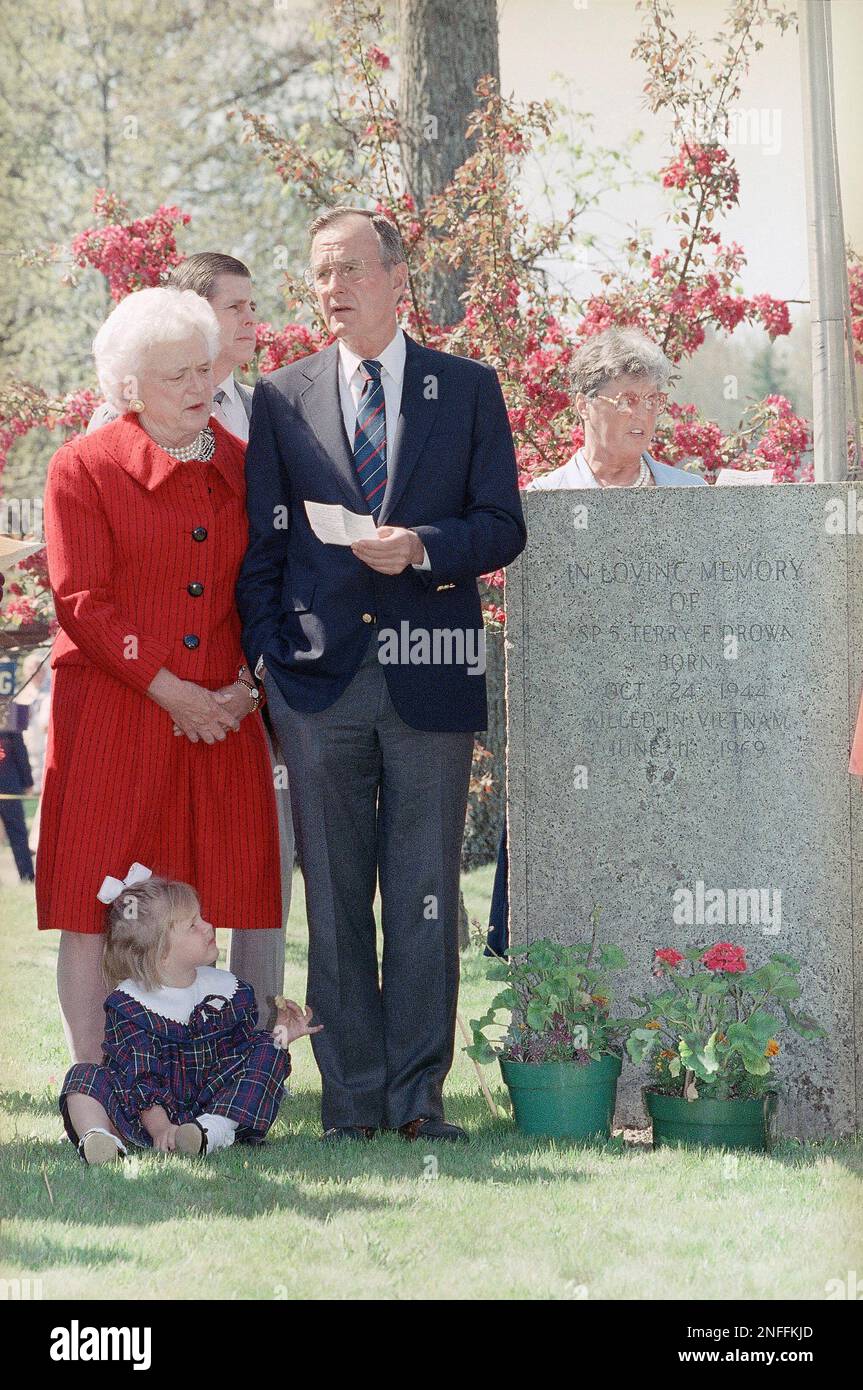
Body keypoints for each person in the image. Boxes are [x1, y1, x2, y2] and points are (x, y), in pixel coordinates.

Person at [237, 206, 526, 1144]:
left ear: (397, 277)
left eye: (348, 268)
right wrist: (272, 660)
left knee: (423, 895)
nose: (332, 287)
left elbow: (502, 526)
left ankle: (417, 1101)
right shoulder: (279, 397)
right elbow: (262, 550)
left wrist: (425, 547)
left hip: (429, 679)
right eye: (320, 272)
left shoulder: (467, 388)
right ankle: (351, 1103)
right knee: (333, 898)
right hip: (317, 688)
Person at [39, 286, 281, 1065]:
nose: (198, 388)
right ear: (127, 387)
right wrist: (173, 692)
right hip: (117, 714)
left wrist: (244, 688)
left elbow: (276, 587)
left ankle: (208, 1071)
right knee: (97, 901)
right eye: (176, 374)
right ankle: (95, 1076)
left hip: (224, 716)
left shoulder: (250, 468)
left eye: (204, 369)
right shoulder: (84, 466)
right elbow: (82, 597)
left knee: (212, 897)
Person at [487, 327, 707, 955]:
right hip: (574, 732)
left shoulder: (689, 497)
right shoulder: (543, 504)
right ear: (586, 403)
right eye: (627, 399)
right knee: (573, 900)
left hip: (663, 727)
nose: (644, 415)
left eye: (653, 400)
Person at [60, 868, 320, 1164]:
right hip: (145, 1116)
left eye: (201, 918)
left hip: (215, 1104)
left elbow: (243, 1054)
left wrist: (283, 1033)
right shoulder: (131, 1006)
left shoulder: (229, 992)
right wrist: (160, 1128)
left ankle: (213, 1131)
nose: (208, 927)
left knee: (266, 1047)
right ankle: (99, 1137)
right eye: (193, 925)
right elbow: (140, 1077)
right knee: (82, 1076)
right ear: (162, 955)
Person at [87, 252, 257, 441]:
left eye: (252, 307)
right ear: (194, 311)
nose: (251, 320)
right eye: (235, 307)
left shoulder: (264, 407)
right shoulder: (120, 416)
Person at [0, 700, 35, 882]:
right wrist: (27, 781)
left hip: (8, 782)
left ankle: (27, 876)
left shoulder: (12, 709)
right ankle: (27, 876)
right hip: (8, 782)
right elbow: (20, 748)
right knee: (17, 831)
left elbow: (19, 748)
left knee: (17, 831)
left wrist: (27, 781)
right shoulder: (9, 708)